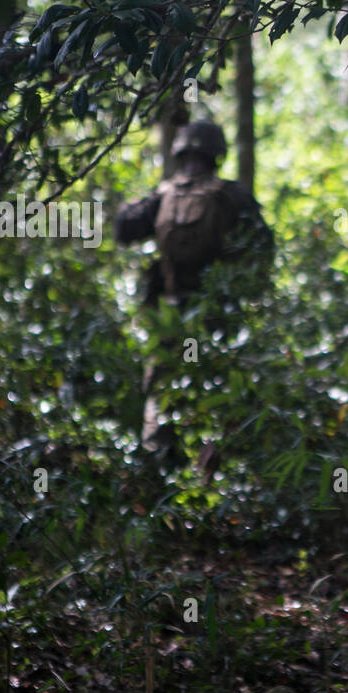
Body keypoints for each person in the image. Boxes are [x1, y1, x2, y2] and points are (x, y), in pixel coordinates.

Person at [114, 120, 273, 454]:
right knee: (218, 396)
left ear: (180, 153)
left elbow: (123, 228)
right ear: (218, 155)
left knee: (161, 394)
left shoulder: (164, 195)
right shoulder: (232, 195)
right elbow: (263, 247)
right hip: (216, 315)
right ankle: (213, 472)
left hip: (170, 315)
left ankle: (157, 466)